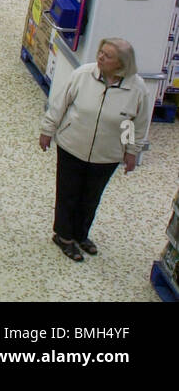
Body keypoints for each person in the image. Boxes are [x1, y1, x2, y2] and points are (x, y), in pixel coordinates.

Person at [40, 38, 152, 261]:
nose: (100, 57)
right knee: (68, 193)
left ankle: (81, 235)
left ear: (122, 64)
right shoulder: (83, 74)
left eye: (107, 55)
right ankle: (63, 236)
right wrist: (47, 130)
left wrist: (132, 151)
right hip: (72, 146)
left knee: (91, 197)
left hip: (106, 155)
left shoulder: (137, 89)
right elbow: (60, 104)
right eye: (101, 52)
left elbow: (135, 123)